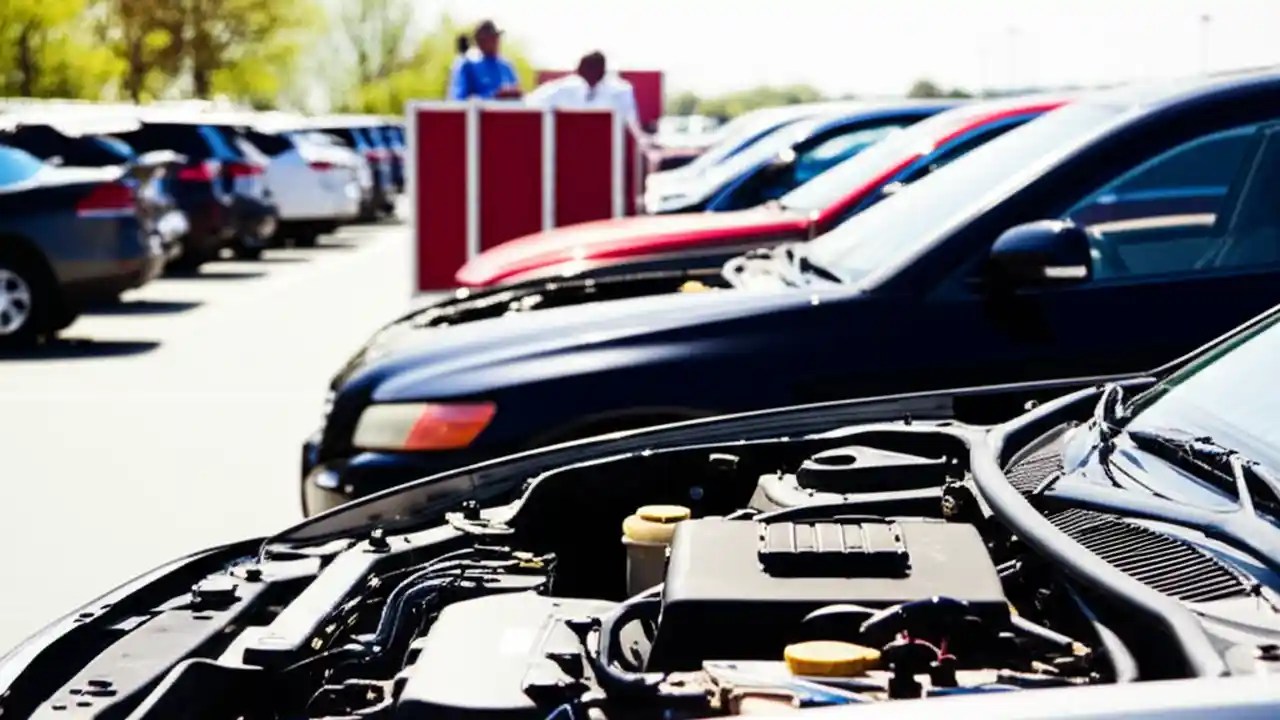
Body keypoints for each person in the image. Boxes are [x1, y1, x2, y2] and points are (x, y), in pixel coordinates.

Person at [526, 51, 642, 135]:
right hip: (569, 141)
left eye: (593, 68)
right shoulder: (563, 88)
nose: (589, 72)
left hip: (608, 145)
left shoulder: (620, 91)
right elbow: (532, 103)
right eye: (586, 68)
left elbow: (631, 124)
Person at [448, 19, 521, 100]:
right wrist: (495, 97)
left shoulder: (507, 67)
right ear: (478, 40)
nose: (494, 41)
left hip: (507, 111)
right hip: (478, 111)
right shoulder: (467, 65)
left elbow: (519, 97)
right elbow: (458, 100)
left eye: (496, 37)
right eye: (488, 37)